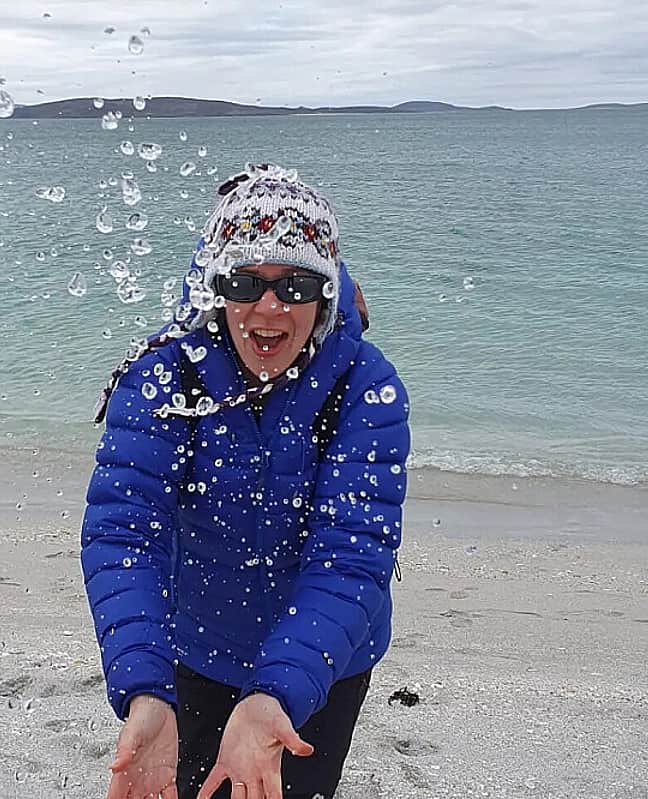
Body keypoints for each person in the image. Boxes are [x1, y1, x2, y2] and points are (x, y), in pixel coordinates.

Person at [82, 164, 410, 799]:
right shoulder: (164, 375)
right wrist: (145, 687)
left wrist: (275, 693)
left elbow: (351, 557)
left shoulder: (365, 388)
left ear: (326, 295)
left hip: (324, 658)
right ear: (216, 288)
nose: (269, 306)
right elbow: (124, 533)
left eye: (296, 284)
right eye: (245, 282)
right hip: (196, 648)